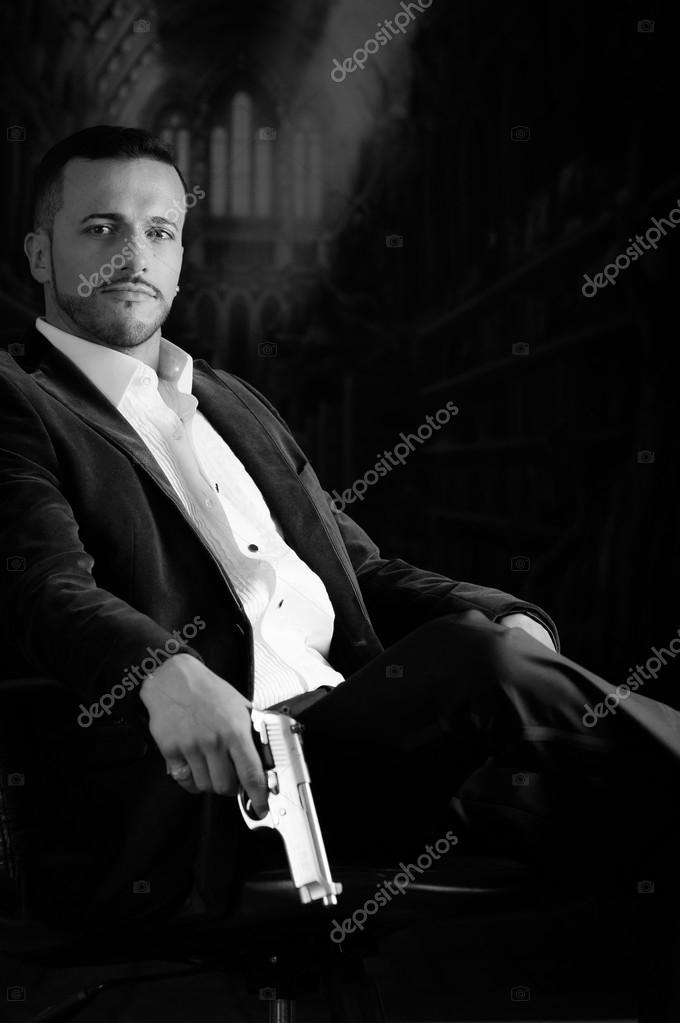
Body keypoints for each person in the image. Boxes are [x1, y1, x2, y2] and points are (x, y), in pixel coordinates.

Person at [1, 126, 679, 943]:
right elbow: (40, 585)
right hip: (226, 782)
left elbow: (358, 570)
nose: (134, 253)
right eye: (101, 227)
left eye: (160, 231)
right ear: (40, 255)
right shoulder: (19, 401)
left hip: (359, 735)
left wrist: (502, 611)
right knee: (478, 667)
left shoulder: (231, 401)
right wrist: (158, 667)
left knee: (582, 799)